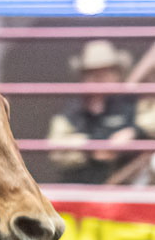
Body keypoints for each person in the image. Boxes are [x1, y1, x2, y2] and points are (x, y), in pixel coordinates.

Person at [47, 40, 155, 184]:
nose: (100, 78)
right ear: (83, 78)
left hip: (127, 188)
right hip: (83, 189)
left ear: (118, 74)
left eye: (106, 72)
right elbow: (56, 149)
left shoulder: (132, 103)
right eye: (93, 74)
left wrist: (134, 132)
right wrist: (91, 146)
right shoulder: (72, 112)